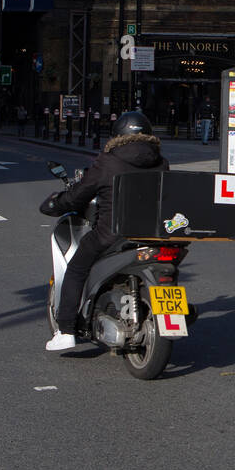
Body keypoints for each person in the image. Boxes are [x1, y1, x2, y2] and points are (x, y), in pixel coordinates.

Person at [39, 111, 169, 351]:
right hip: (154, 234)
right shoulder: (161, 161)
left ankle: (66, 330)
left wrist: (57, 203)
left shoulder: (108, 161)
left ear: (117, 135)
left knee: (76, 268)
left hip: (112, 235)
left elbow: (79, 193)